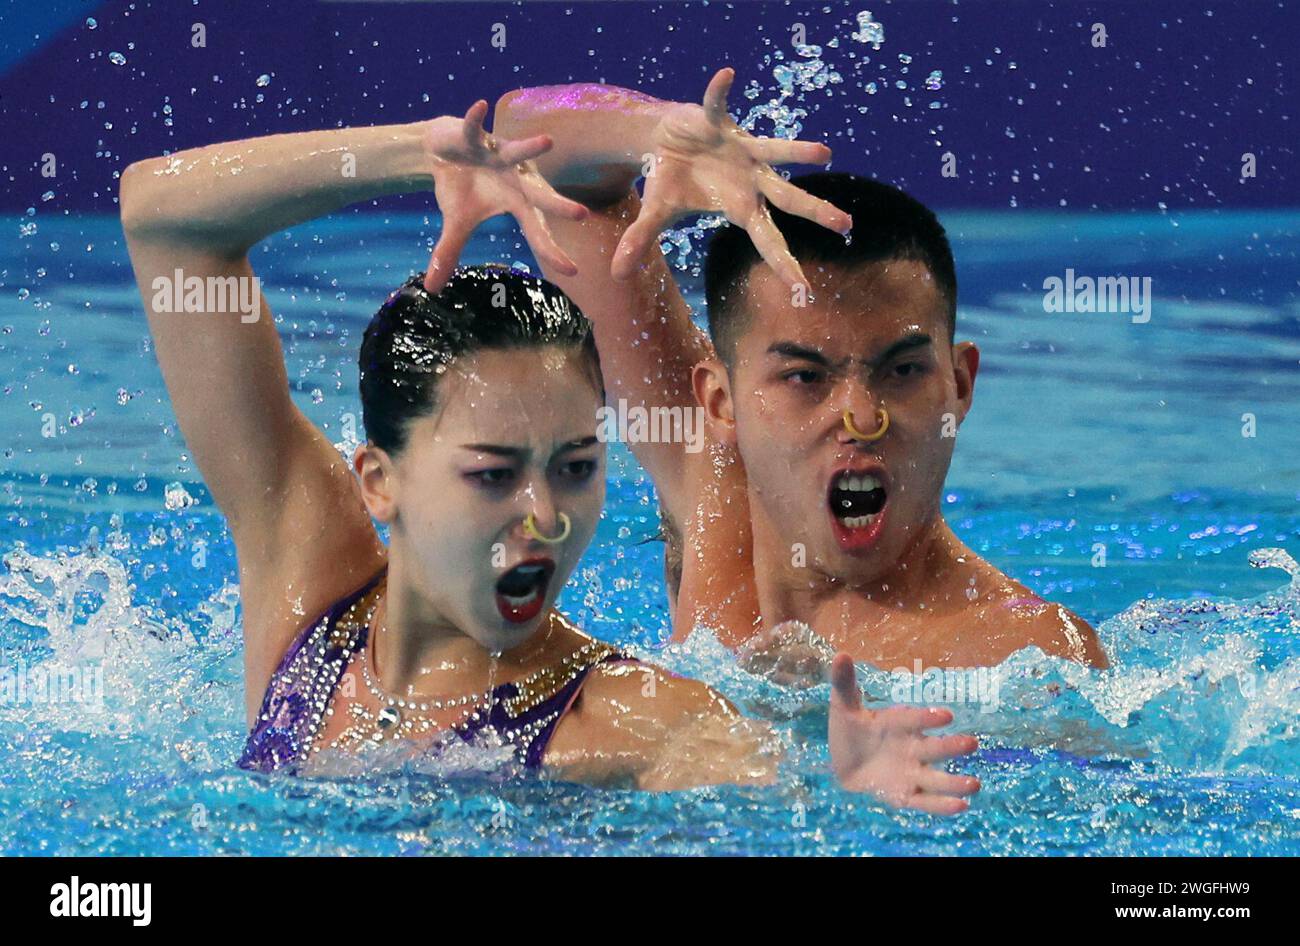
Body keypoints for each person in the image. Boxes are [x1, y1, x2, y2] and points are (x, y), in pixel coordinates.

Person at [118, 106, 981, 811]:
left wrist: (831, 804)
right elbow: (165, 221)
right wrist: (414, 153)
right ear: (379, 482)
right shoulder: (306, 578)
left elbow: (747, 782)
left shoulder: (649, 723)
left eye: (575, 465)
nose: (547, 516)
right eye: (493, 475)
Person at [492, 69, 1109, 684]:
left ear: (961, 385)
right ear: (719, 399)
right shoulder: (711, 478)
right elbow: (526, 139)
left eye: (902, 370)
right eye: (805, 377)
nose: (863, 418)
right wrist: (658, 133)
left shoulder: (1026, 654)